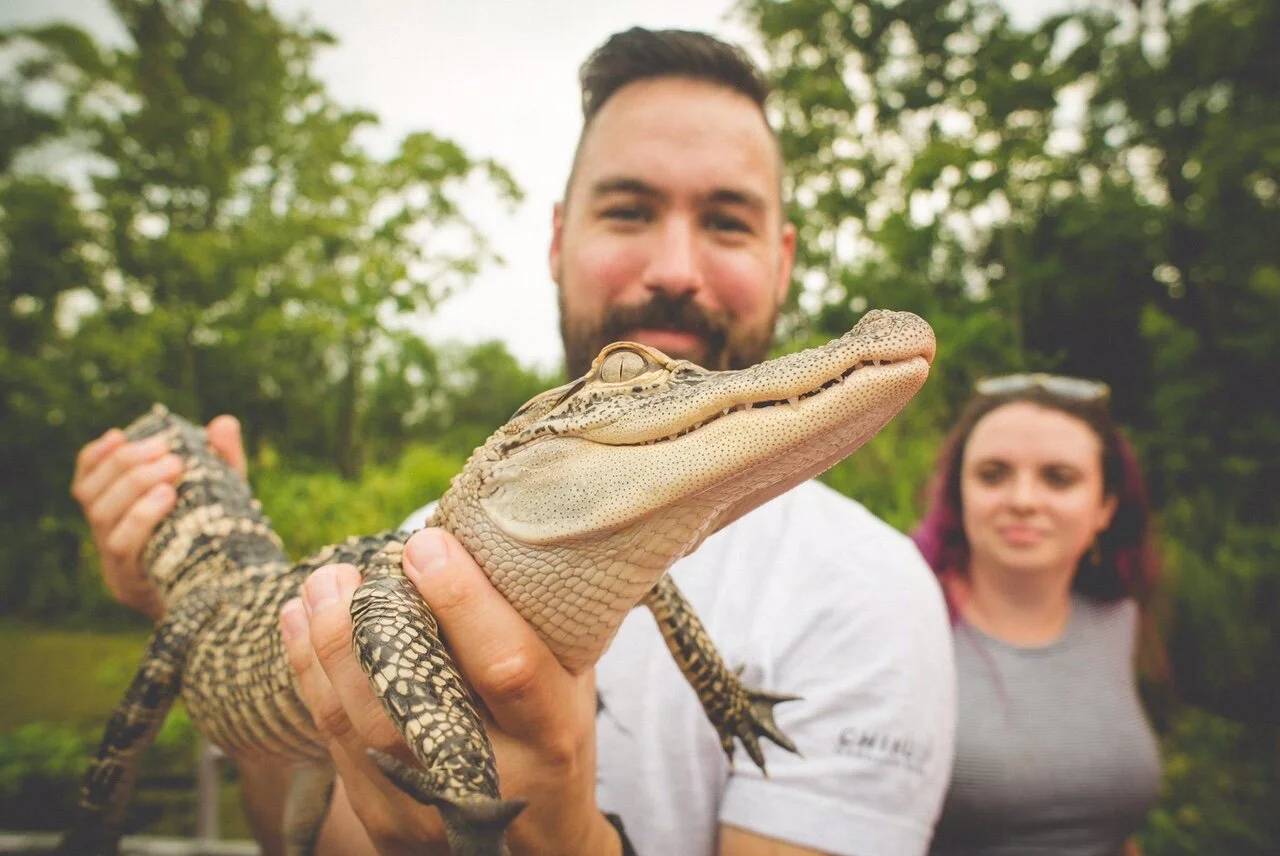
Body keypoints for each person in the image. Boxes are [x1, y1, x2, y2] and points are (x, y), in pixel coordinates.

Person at [70, 27, 956, 856]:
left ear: (784, 256)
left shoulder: (871, 591)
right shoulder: (437, 539)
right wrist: (188, 599)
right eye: (629, 210)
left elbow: (655, 589)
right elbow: (302, 828)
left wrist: (561, 834)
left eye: (727, 220)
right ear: (557, 239)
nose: (676, 268)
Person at [911, 374, 1163, 856]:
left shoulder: (1118, 619)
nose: (1023, 500)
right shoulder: (902, 618)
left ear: (1105, 506)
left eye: (1058, 478)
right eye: (992, 474)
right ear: (958, 495)